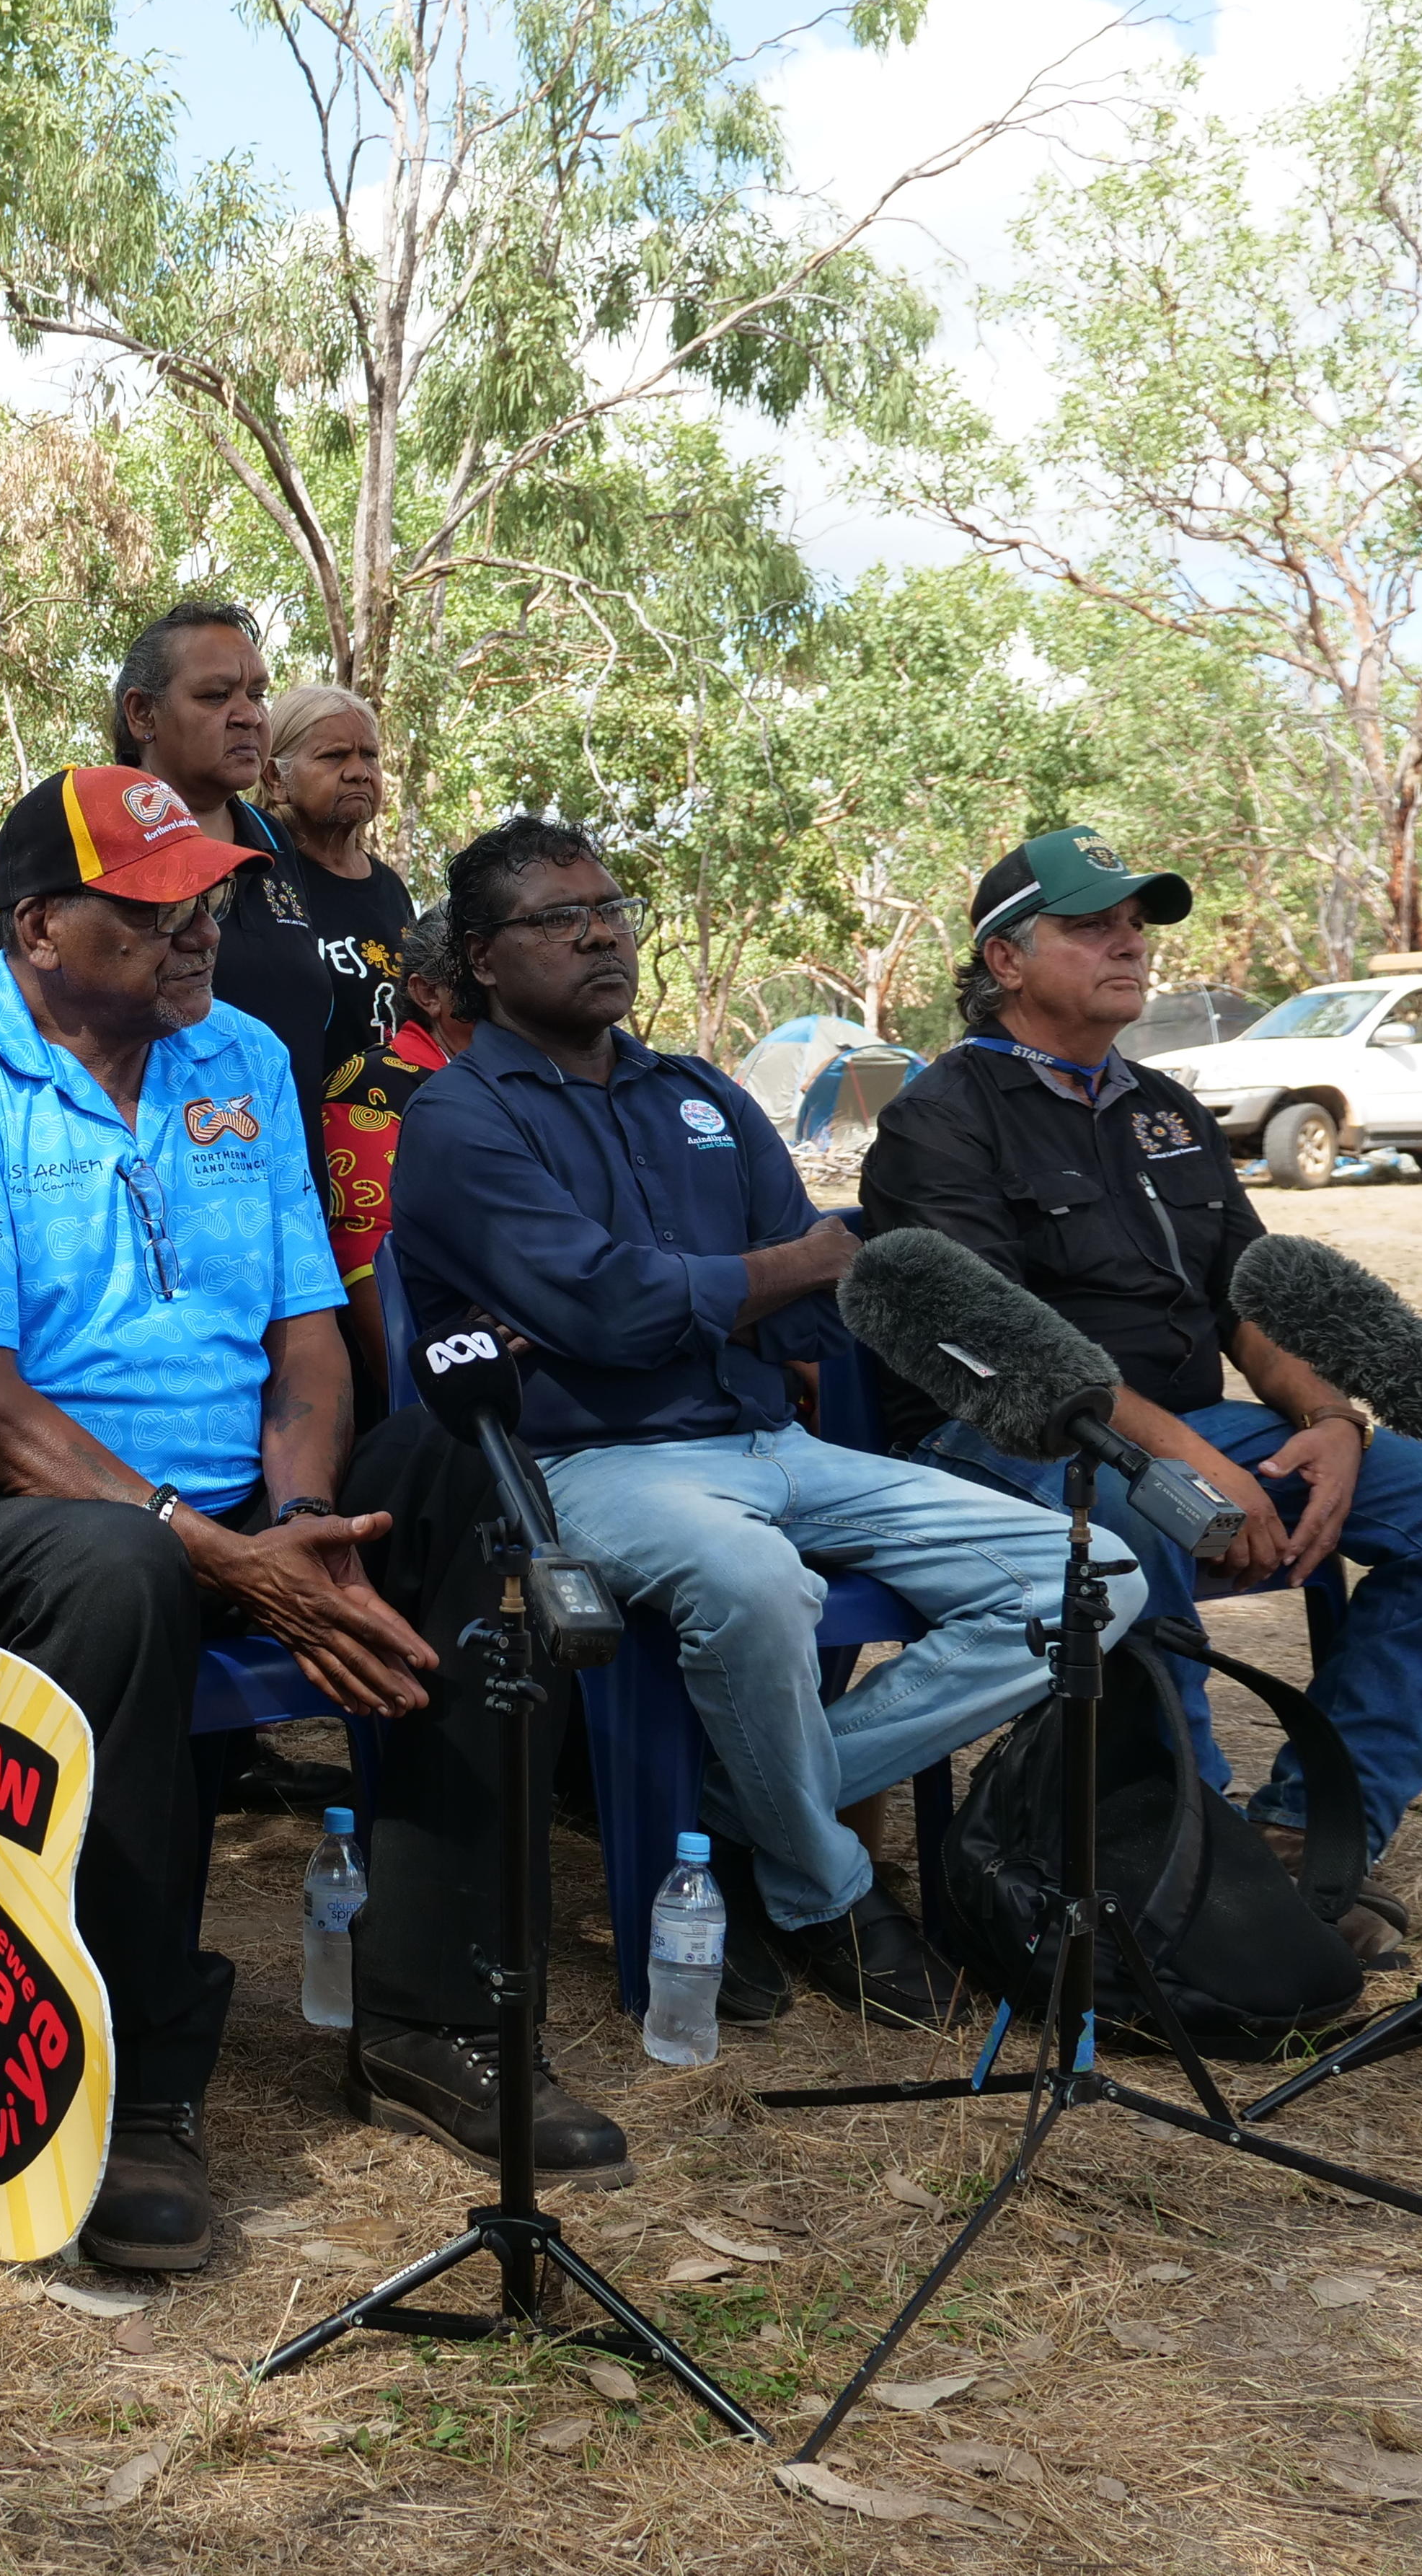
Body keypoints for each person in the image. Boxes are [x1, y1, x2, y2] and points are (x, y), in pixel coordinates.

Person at [388, 815, 1137, 2030]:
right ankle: (831, 1895)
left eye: (611, 908)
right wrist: (756, 1278)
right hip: (590, 1461)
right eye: (555, 918)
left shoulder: (697, 1095)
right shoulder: (460, 1117)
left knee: (1088, 1573)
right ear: (481, 957)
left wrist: (753, 1286)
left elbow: (818, 1293)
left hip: (771, 1447)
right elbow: (615, 1307)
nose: (597, 934)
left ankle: (745, 1809)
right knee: (753, 1581)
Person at [0, 762, 436, 2268]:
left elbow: (310, 1336)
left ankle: (440, 2006)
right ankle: (133, 2092)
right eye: (157, 908)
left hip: (226, 1514)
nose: (199, 933)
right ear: (39, 926)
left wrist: (301, 1523)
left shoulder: (234, 1054)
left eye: (213, 900)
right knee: (123, 1571)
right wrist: (227, 1553)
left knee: (454, 1482)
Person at [862, 828, 1422, 1960]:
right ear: (1005, 960)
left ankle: (1306, 1829)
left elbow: (1250, 1301)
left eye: (1137, 924)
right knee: (1145, 1519)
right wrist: (1182, 1464)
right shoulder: (944, 1115)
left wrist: (1333, 1421)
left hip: (1188, 1425)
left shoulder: (1162, 1106)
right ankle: (1195, 1866)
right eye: (1091, 924)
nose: (1129, 943)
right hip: (1007, 1437)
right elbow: (1007, 1348)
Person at [0, 603, 335, 1129]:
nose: (249, 715)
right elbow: (6, 1023)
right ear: (142, 714)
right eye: (215, 695)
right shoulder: (69, 831)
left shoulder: (273, 840)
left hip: (268, 1177)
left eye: (257, 695)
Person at [318, 902, 466, 1423]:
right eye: (485, 961)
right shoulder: (375, 1084)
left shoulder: (552, 1075)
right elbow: (368, 1261)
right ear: (429, 994)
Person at [262, 685, 415, 1087]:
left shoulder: (391, 890)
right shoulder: (259, 876)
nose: (359, 771)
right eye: (333, 756)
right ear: (276, 778)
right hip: (290, 1121)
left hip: (385, 1123)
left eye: (370, 755)